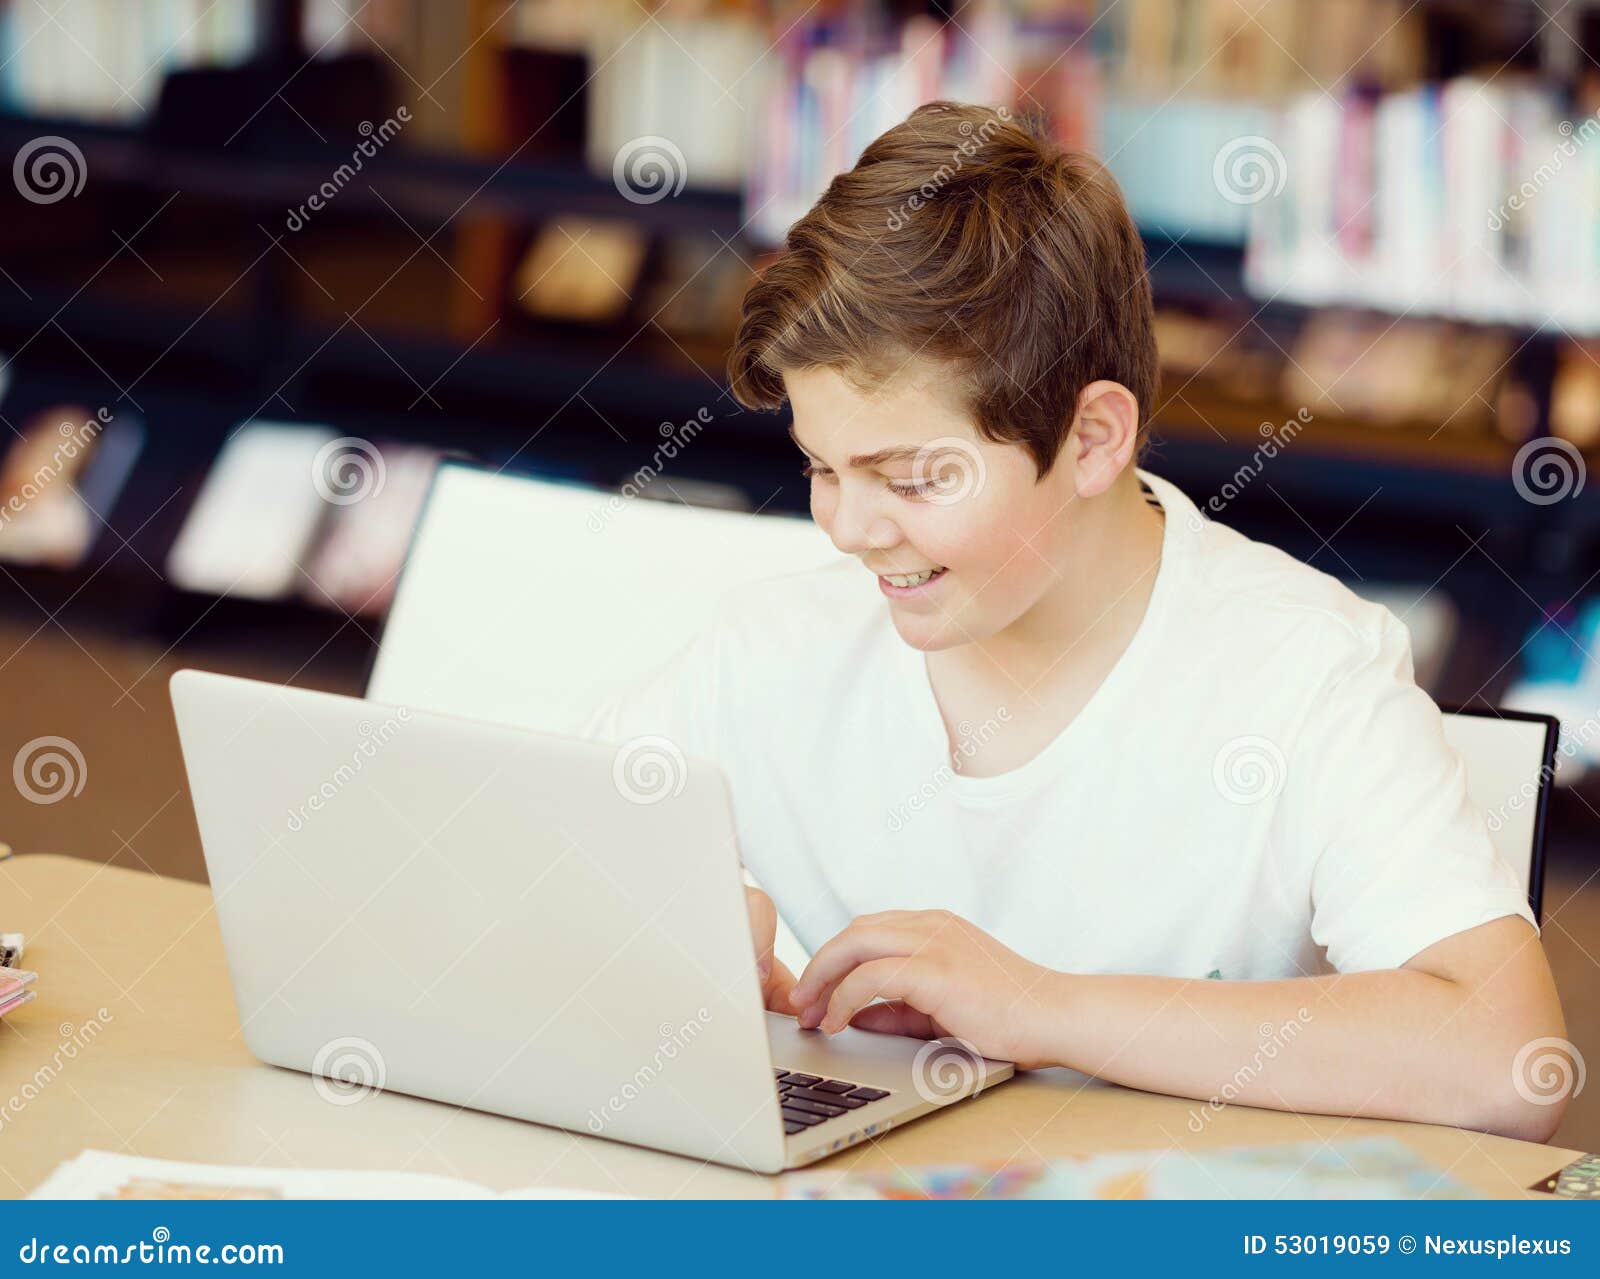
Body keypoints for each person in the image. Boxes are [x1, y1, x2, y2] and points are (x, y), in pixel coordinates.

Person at [585, 102, 1569, 1141]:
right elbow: (509, 868)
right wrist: (634, 939)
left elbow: (1510, 1062)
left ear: (1095, 436)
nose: (848, 527)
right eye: (822, 469)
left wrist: (1040, 1009)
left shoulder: (1299, 674)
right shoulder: (772, 650)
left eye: (914, 476)